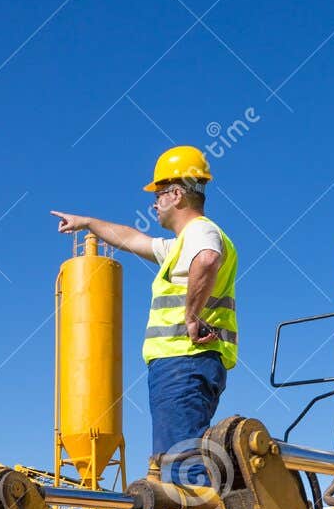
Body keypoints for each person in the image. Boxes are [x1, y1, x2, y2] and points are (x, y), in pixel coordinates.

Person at [52, 145, 237, 483]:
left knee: (183, 468)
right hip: (183, 363)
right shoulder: (178, 245)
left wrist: (192, 316)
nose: (154, 204)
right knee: (177, 461)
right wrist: (88, 223)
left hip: (184, 360)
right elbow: (132, 238)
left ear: (177, 194)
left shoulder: (201, 232)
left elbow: (207, 259)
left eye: (159, 195)